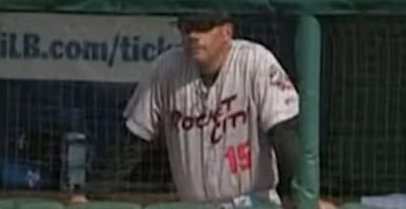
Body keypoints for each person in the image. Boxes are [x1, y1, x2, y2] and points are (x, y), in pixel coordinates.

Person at [82, 12, 309, 207]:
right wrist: (91, 194)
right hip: (193, 205)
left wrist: (302, 196)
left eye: (203, 27)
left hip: (253, 202)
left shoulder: (255, 62)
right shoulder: (166, 68)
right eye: (187, 28)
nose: (193, 36)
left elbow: (285, 133)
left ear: (227, 32)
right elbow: (133, 140)